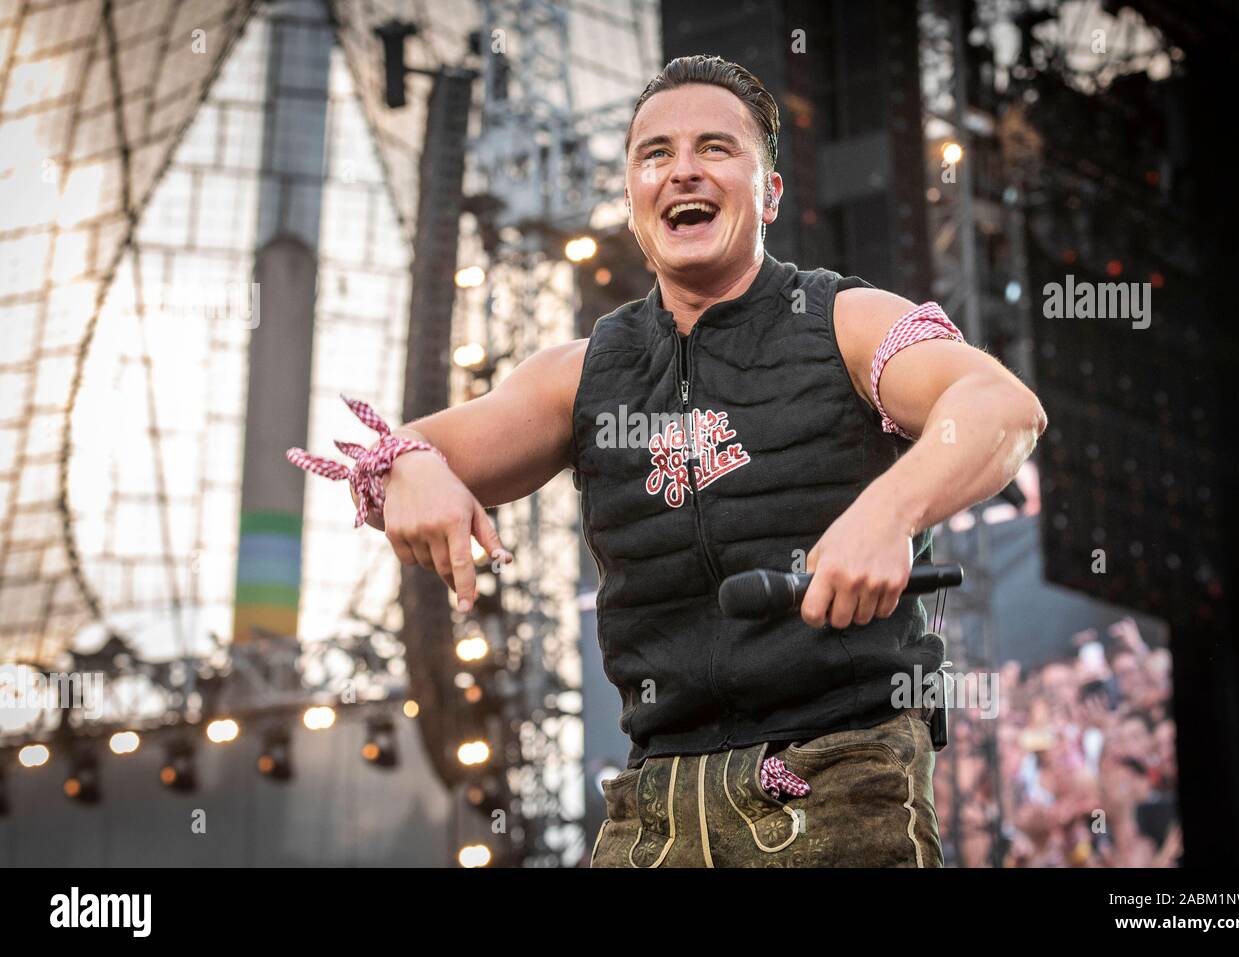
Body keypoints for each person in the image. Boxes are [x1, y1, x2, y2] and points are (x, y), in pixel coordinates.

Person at [356, 55, 1047, 867]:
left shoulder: (848, 321)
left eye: (716, 148)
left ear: (771, 194)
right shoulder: (582, 372)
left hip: (836, 778)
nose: (682, 168)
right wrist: (411, 466)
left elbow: (1002, 408)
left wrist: (888, 514)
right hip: (653, 802)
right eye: (655, 154)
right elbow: (395, 453)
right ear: (631, 200)